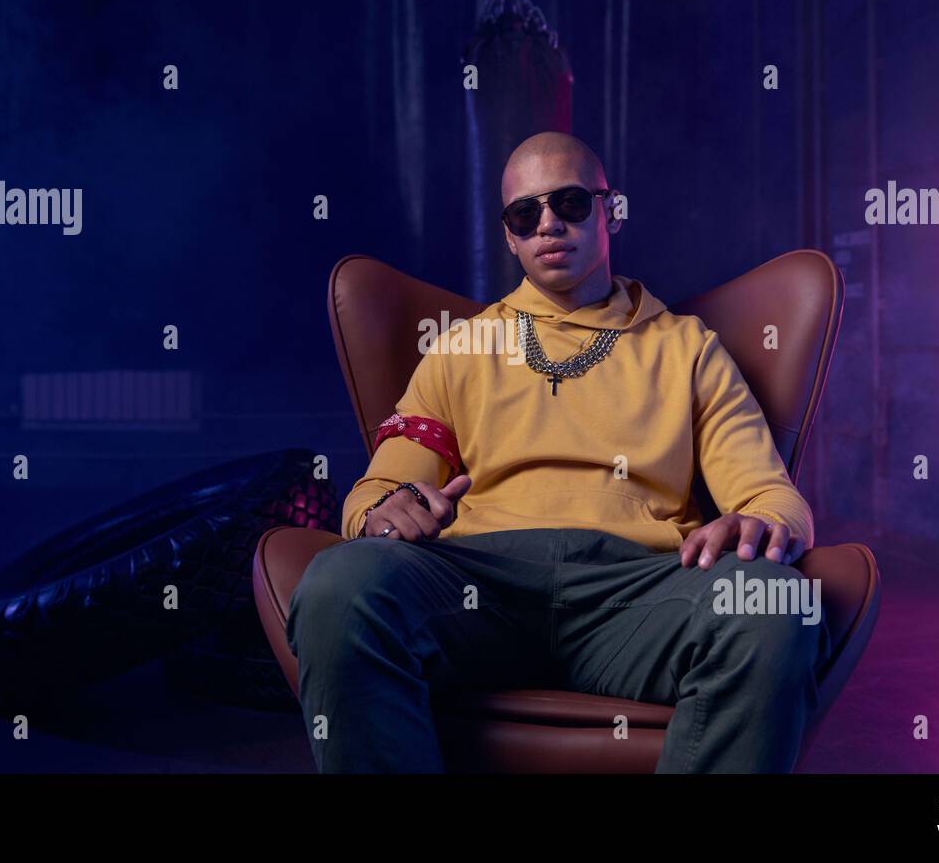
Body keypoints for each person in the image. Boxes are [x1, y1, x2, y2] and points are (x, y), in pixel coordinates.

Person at [286, 131, 830, 773]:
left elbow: (769, 494)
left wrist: (763, 523)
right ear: (511, 235)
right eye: (526, 213)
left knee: (775, 605)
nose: (549, 224)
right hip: (478, 587)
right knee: (338, 585)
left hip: (637, 594)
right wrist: (386, 512)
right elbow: (376, 495)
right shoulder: (460, 348)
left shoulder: (689, 349)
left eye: (571, 203)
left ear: (610, 211)